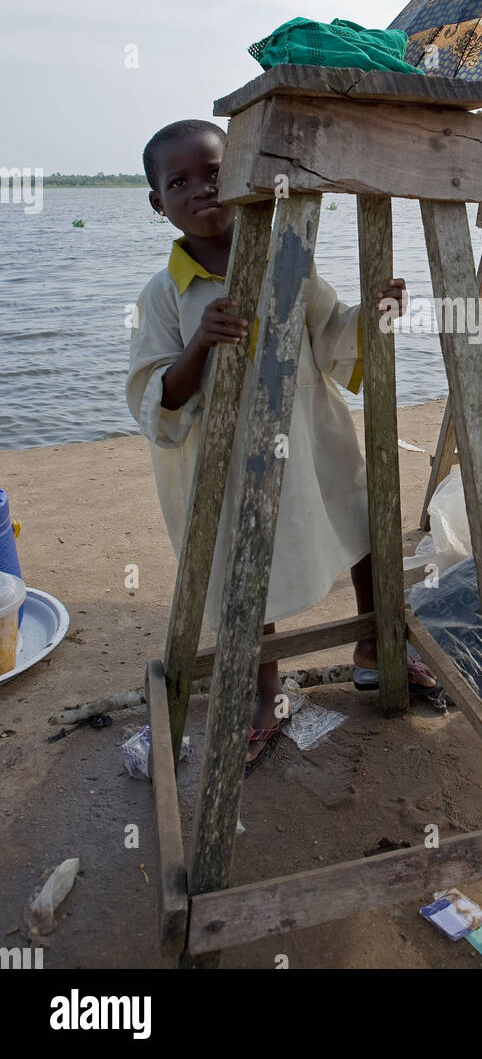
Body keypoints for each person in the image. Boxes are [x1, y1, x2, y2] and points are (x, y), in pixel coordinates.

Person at [127, 119, 435, 770]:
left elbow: (328, 337)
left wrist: (373, 312)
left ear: (241, 176)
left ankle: (373, 649)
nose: (201, 189)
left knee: (360, 523)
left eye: (214, 172)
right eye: (179, 182)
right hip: (226, 463)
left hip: (308, 433)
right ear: (159, 204)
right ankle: (265, 693)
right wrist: (201, 342)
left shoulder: (285, 259)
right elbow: (157, 397)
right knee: (245, 571)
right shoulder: (164, 296)